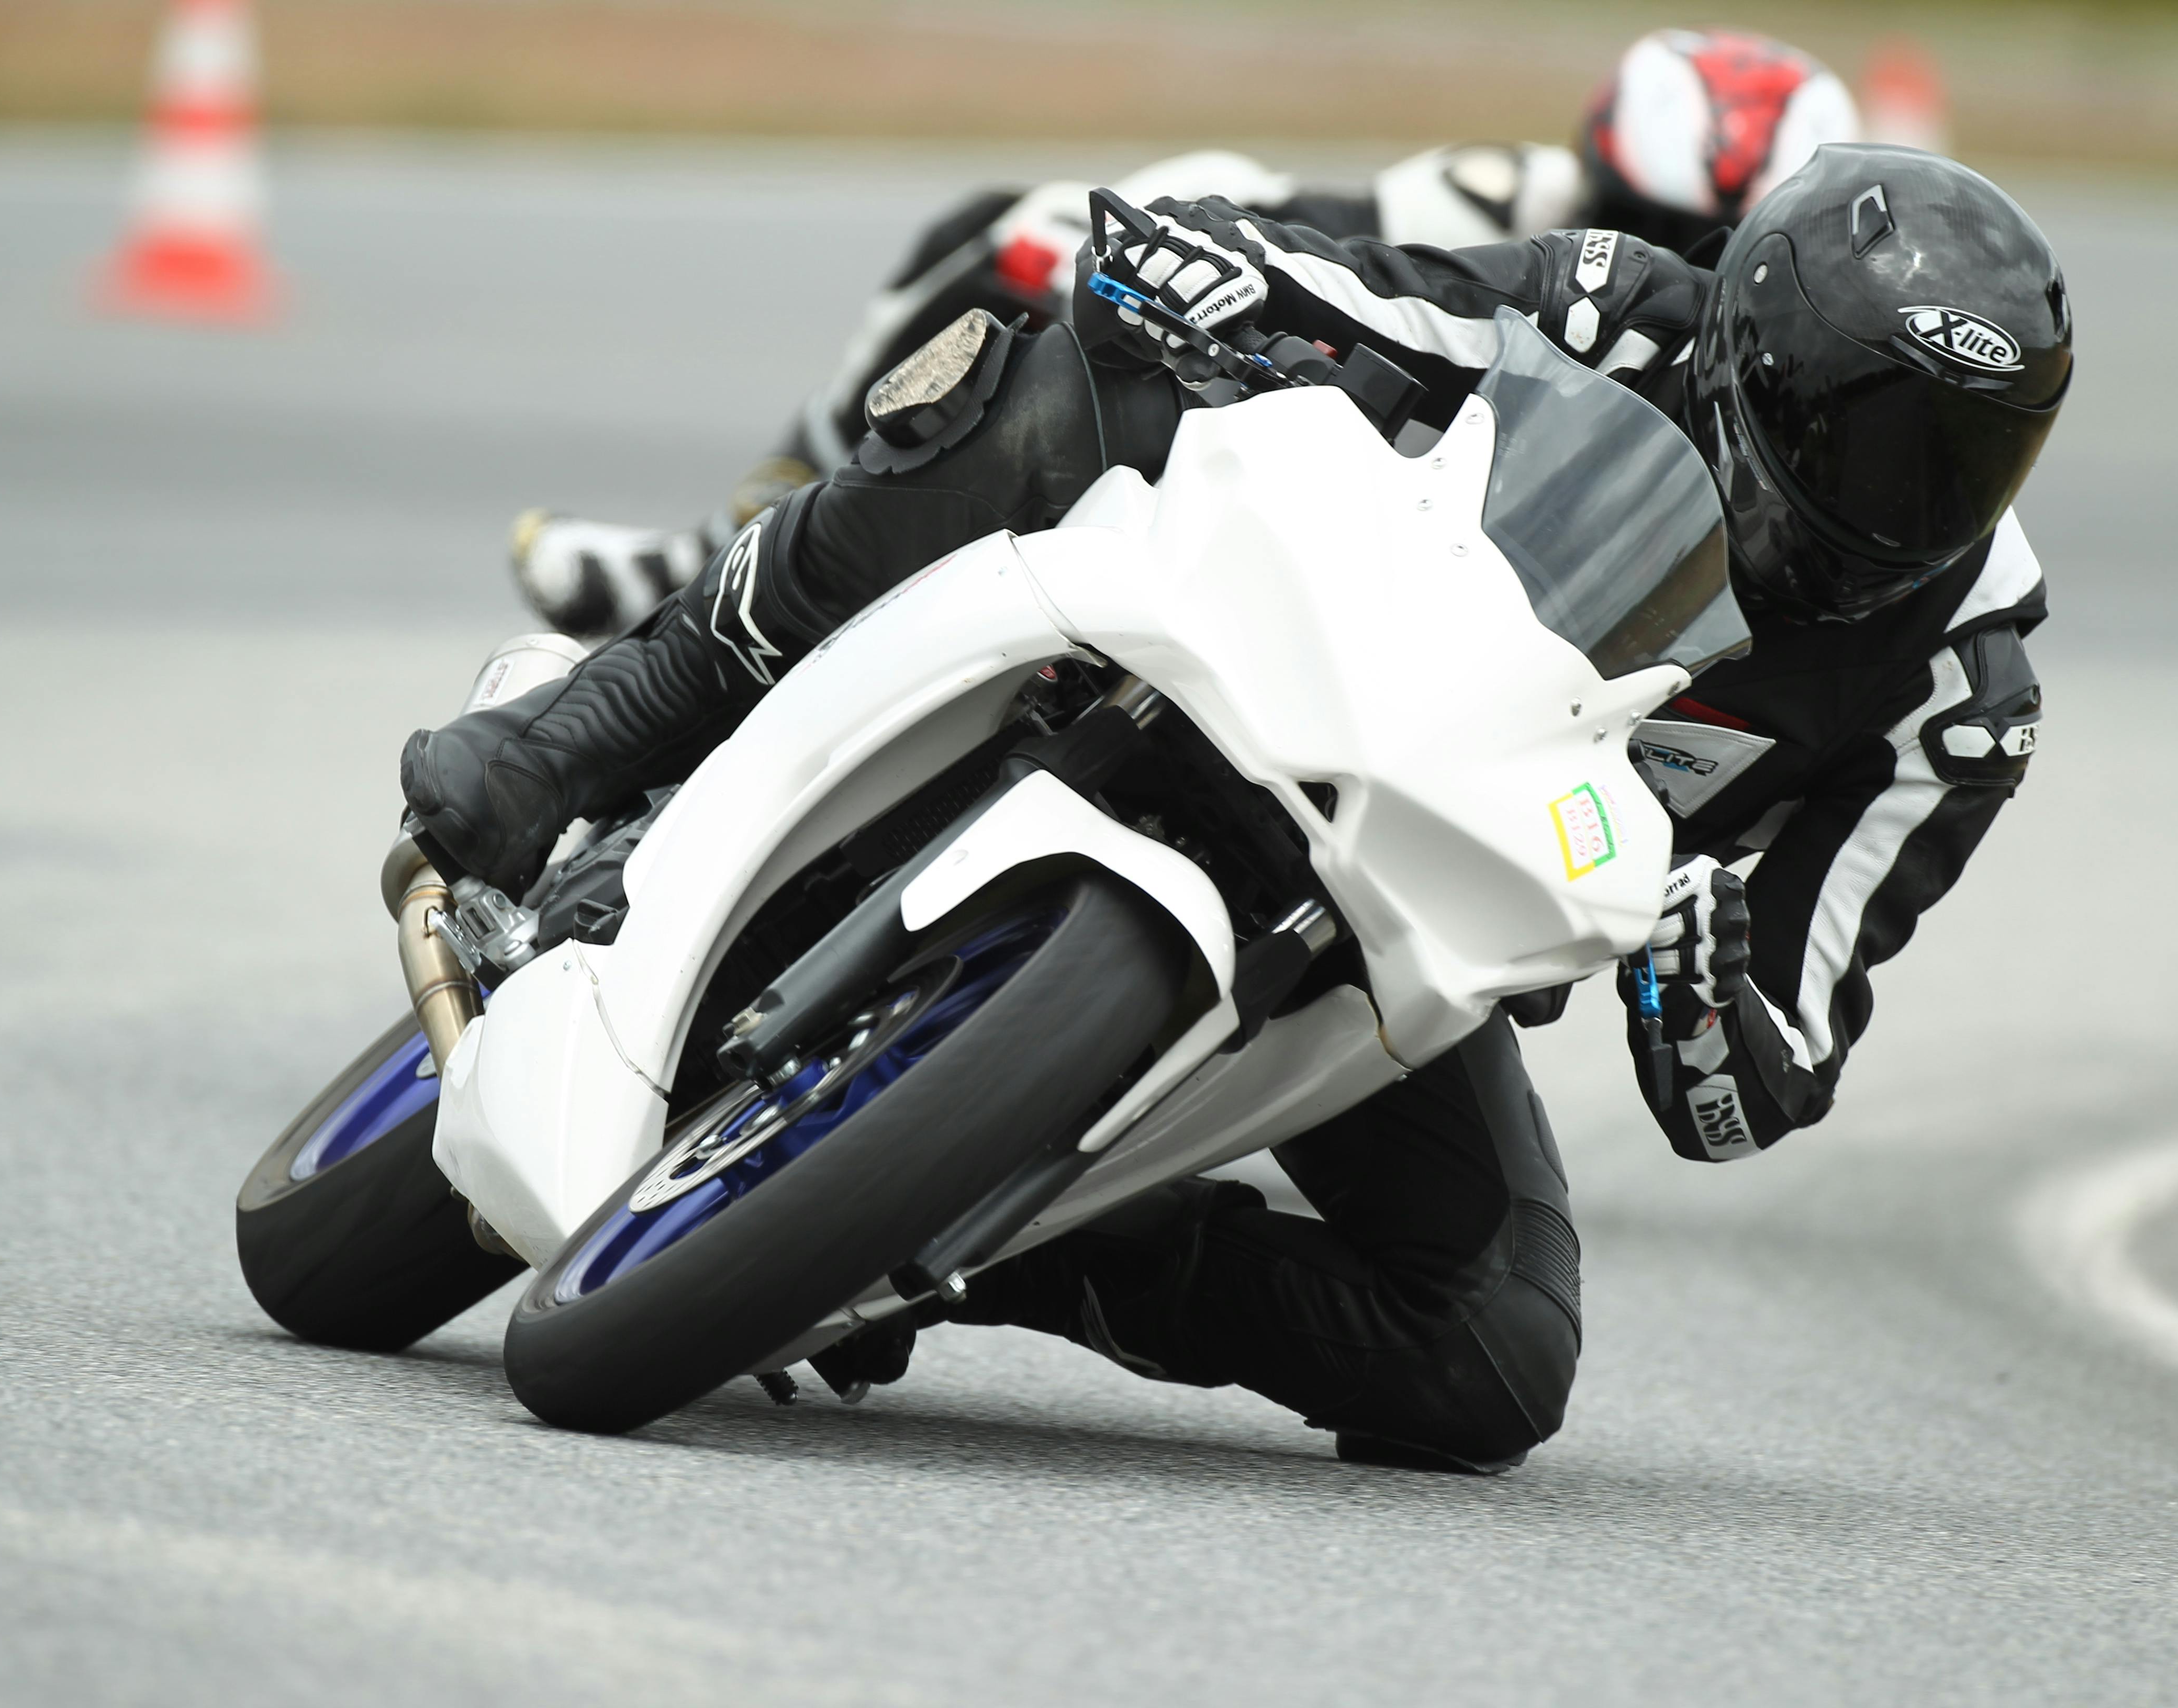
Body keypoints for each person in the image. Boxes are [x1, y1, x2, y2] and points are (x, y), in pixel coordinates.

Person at [401, 142, 2070, 1470]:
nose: (1890, 503)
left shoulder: (1961, 689)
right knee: (1058, 391)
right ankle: (581, 733)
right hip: (1278, 660)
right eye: (1858, 436)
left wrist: (1711, 1006)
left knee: (1496, 1355)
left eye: (1952, 463)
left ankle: (977, 1241)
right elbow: (1371, 292)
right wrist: (1214, 261)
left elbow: (1768, 1066)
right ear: (1750, 345)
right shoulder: (1623, 306)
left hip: (1420, 911)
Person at [513, 27, 1863, 639]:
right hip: (1351, 462)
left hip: (1530, 623)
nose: (1682, 281)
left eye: (1716, 254)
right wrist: (1192, 242)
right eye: (1653, 223)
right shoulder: (1525, 210)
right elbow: (1348, 247)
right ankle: (735, 544)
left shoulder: (1835, 484)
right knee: (1025, 225)